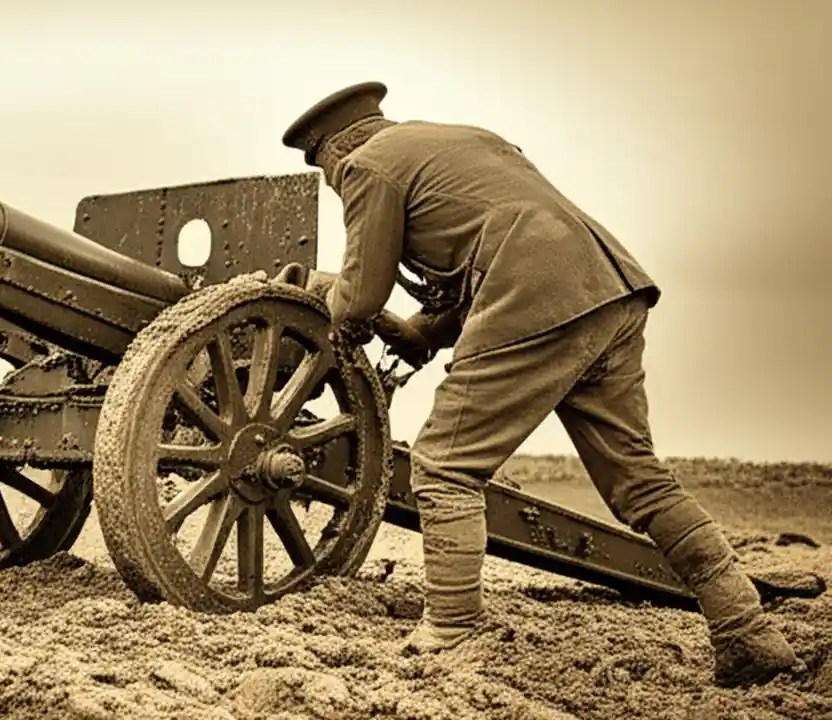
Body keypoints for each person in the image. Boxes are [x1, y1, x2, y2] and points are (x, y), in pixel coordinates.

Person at [280, 81, 801, 689]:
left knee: (446, 465)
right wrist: (421, 331)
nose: (333, 183)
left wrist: (324, 294)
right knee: (638, 479)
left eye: (325, 172)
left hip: (536, 296)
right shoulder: (464, 141)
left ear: (334, 153)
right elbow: (486, 248)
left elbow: (361, 299)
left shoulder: (368, 167)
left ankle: (452, 627)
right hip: (610, 290)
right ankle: (745, 628)